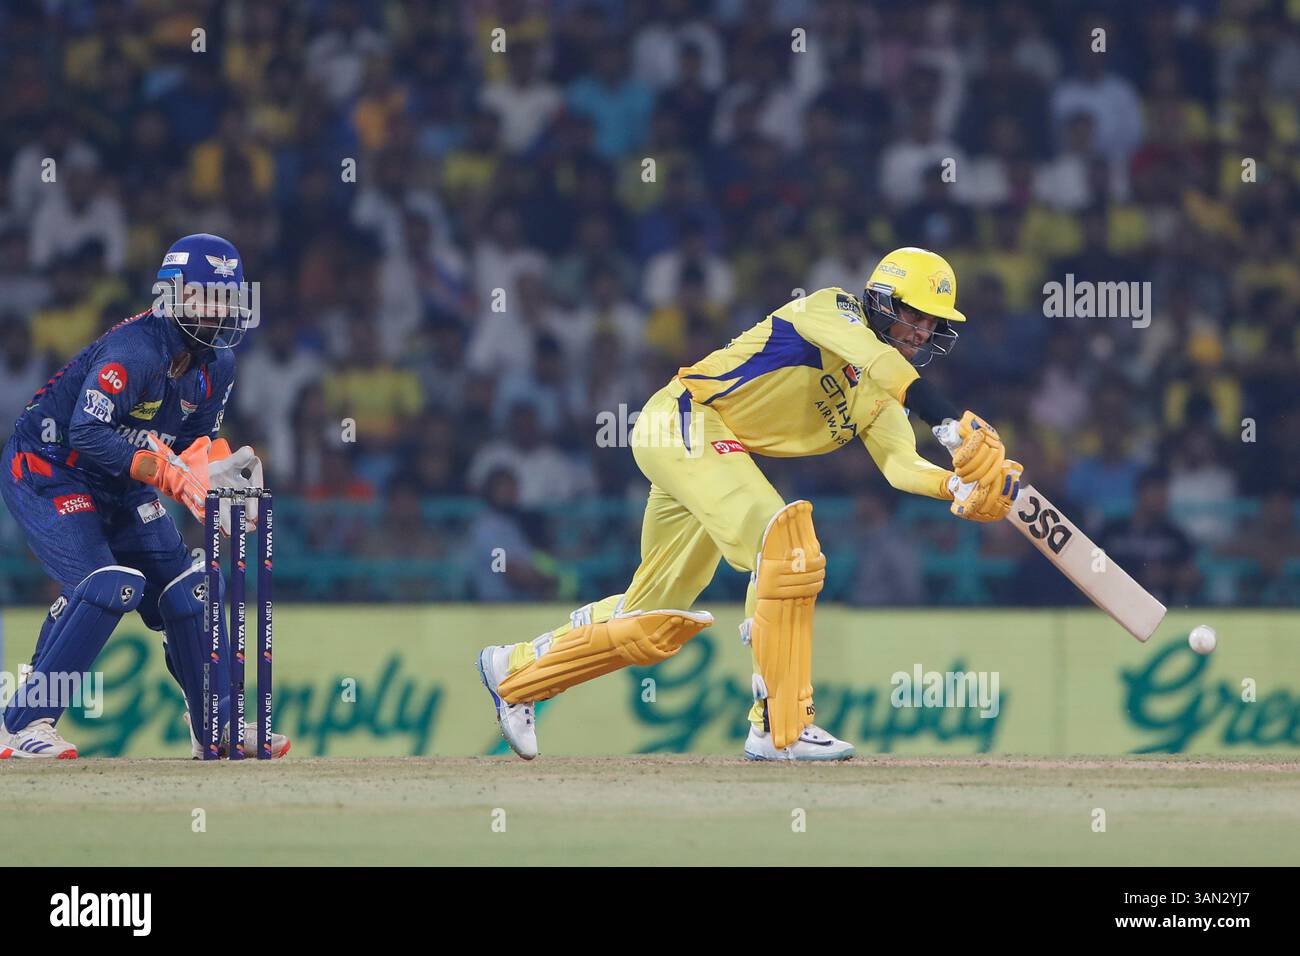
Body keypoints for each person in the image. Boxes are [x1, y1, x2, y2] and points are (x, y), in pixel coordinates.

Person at [477, 247, 1023, 761]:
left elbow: (901, 466)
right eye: (915, 315)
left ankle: (515, 672)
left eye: (932, 323)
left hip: (711, 454)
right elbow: (877, 361)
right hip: (684, 417)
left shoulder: (880, 397)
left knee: (648, 622)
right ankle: (777, 725)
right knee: (785, 545)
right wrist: (950, 421)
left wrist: (959, 488)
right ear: (881, 300)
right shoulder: (833, 309)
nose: (923, 331)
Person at [0, 234, 288, 759]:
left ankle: (215, 726)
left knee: (189, 588)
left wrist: (219, 475)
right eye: (203, 294)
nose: (217, 308)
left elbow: (190, 443)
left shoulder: (218, 365)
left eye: (226, 296)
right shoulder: (134, 350)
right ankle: (22, 722)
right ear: (172, 295)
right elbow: (87, 432)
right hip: (49, 468)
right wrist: (170, 476)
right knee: (108, 585)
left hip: (120, 479)